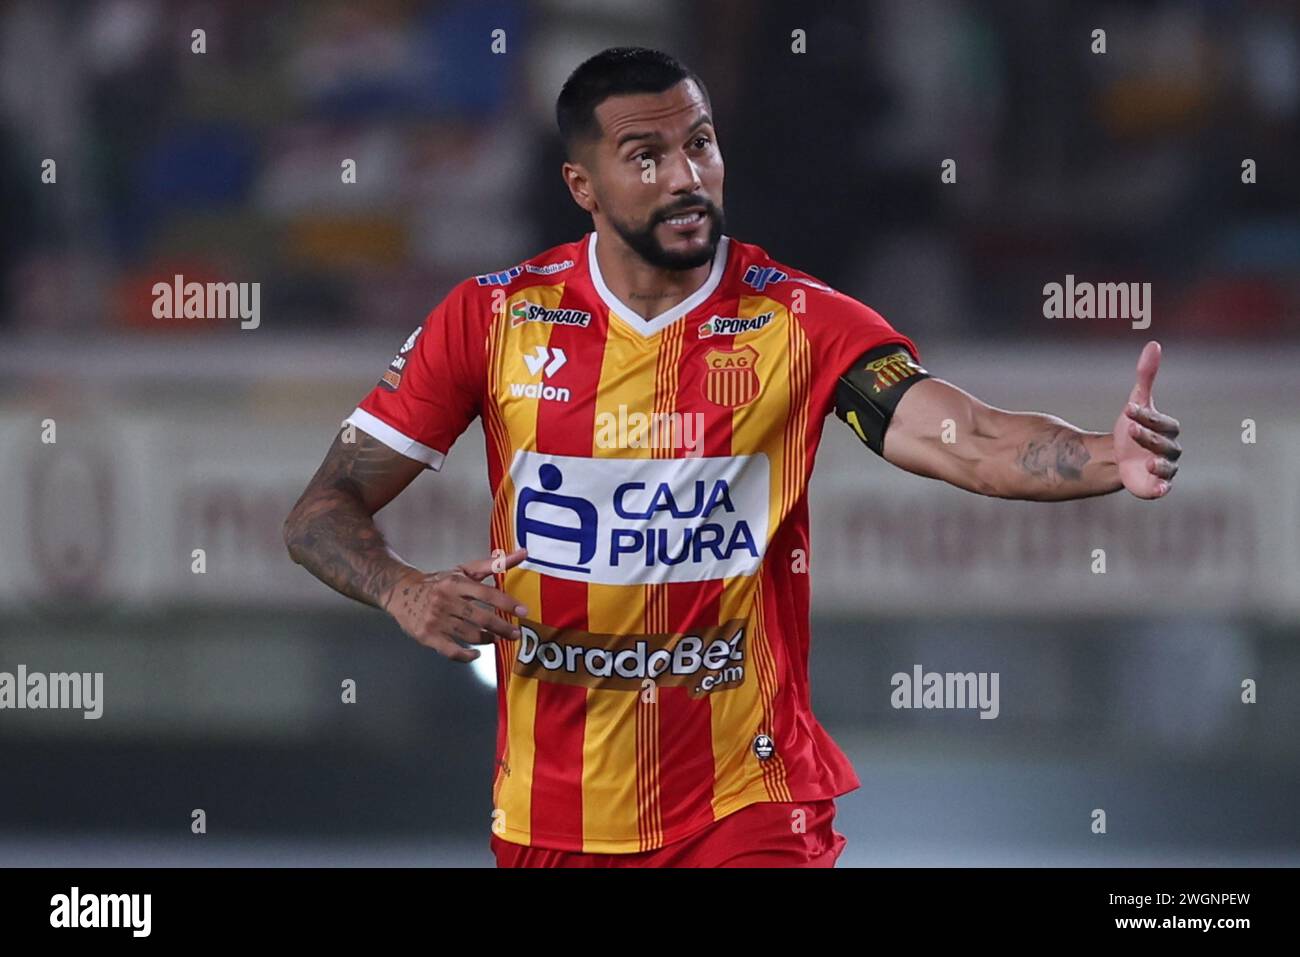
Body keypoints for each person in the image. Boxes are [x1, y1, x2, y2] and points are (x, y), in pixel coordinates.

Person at [282, 47, 1181, 868]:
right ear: (581, 184)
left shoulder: (795, 319)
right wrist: (406, 591)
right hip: (551, 817)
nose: (686, 178)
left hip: (748, 802)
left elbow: (970, 438)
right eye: (646, 157)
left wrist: (1104, 456)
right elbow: (320, 512)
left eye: (701, 145)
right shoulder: (492, 320)